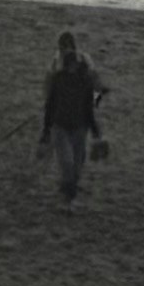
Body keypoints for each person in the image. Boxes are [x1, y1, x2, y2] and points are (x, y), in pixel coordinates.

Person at [40, 33, 108, 202]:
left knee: (75, 164)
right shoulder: (60, 68)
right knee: (69, 163)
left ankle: (68, 190)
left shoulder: (73, 67)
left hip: (78, 121)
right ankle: (68, 191)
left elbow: (93, 93)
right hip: (64, 121)